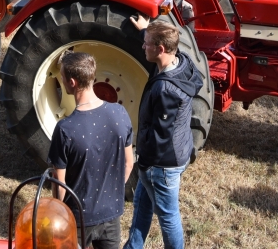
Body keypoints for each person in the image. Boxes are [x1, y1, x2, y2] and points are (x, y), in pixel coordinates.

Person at [124, 17, 202, 249]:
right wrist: (145, 31)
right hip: (175, 151)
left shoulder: (165, 89)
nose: (142, 46)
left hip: (161, 164)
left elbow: (160, 137)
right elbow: (155, 46)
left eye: (146, 43)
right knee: (142, 204)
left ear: (160, 49)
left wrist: (144, 164)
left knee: (168, 217)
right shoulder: (183, 63)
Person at [48, 52, 134, 249]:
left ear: (72, 82)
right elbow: (129, 163)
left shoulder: (65, 129)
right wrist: (109, 193)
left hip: (76, 219)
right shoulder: (120, 113)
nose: (60, 80)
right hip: (111, 213)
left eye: (61, 77)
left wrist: (60, 216)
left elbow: (59, 183)